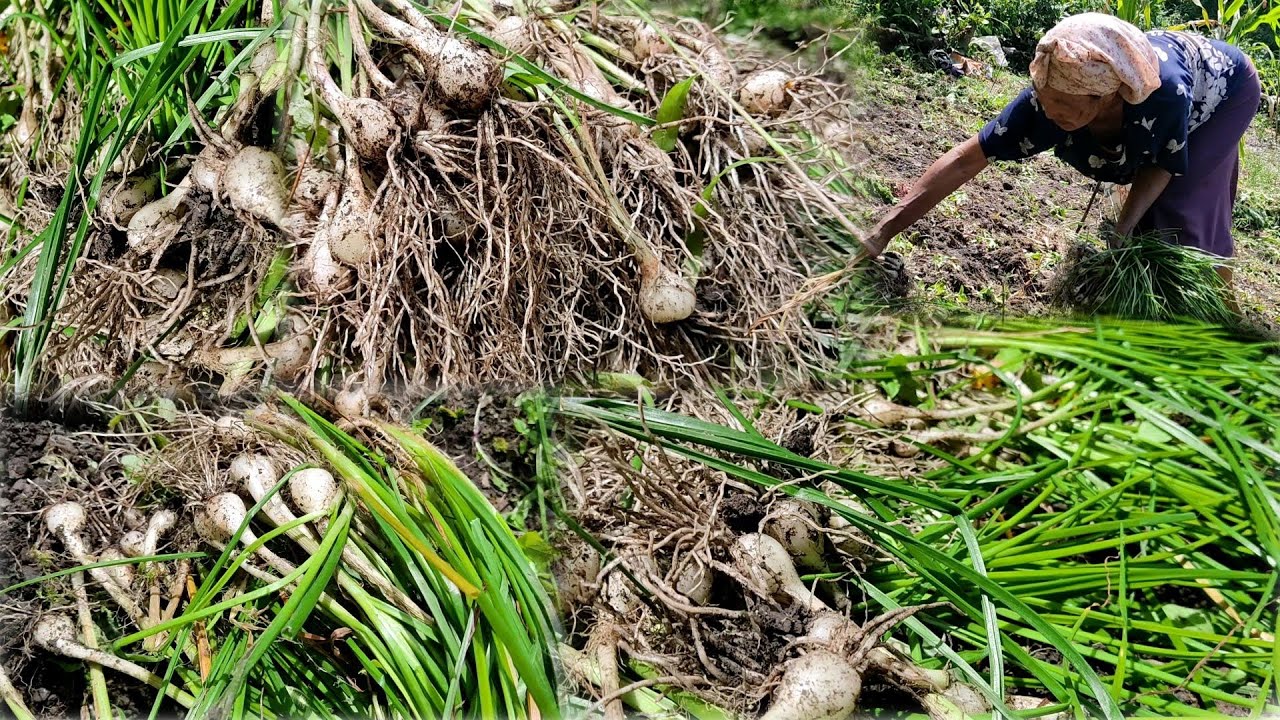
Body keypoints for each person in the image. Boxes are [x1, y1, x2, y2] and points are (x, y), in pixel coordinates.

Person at [862, 13, 1263, 288]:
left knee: (1182, 210)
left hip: (1223, 93)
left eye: (1068, 106)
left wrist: (1119, 236)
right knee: (1151, 223)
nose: (1052, 113)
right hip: (1167, 94)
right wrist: (880, 234)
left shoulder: (1161, 98)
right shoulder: (1044, 101)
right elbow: (968, 158)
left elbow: (1161, 165)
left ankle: (1217, 308)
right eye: (1046, 98)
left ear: (1107, 97)